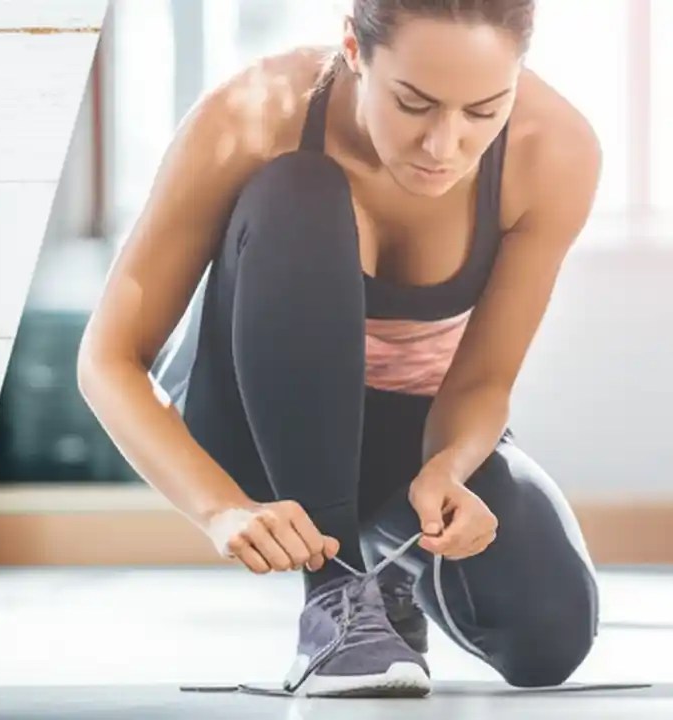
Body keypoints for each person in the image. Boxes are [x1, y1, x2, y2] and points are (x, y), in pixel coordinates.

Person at [77, 0, 601, 698]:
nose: (444, 146)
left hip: (410, 441)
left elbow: (481, 384)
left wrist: (451, 468)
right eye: (414, 103)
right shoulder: (254, 114)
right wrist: (219, 508)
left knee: (550, 639)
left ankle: (389, 577)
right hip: (251, 432)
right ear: (354, 48)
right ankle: (337, 599)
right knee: (300, 188)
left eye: (483, 111)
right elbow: (108, 358)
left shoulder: (554, 150)